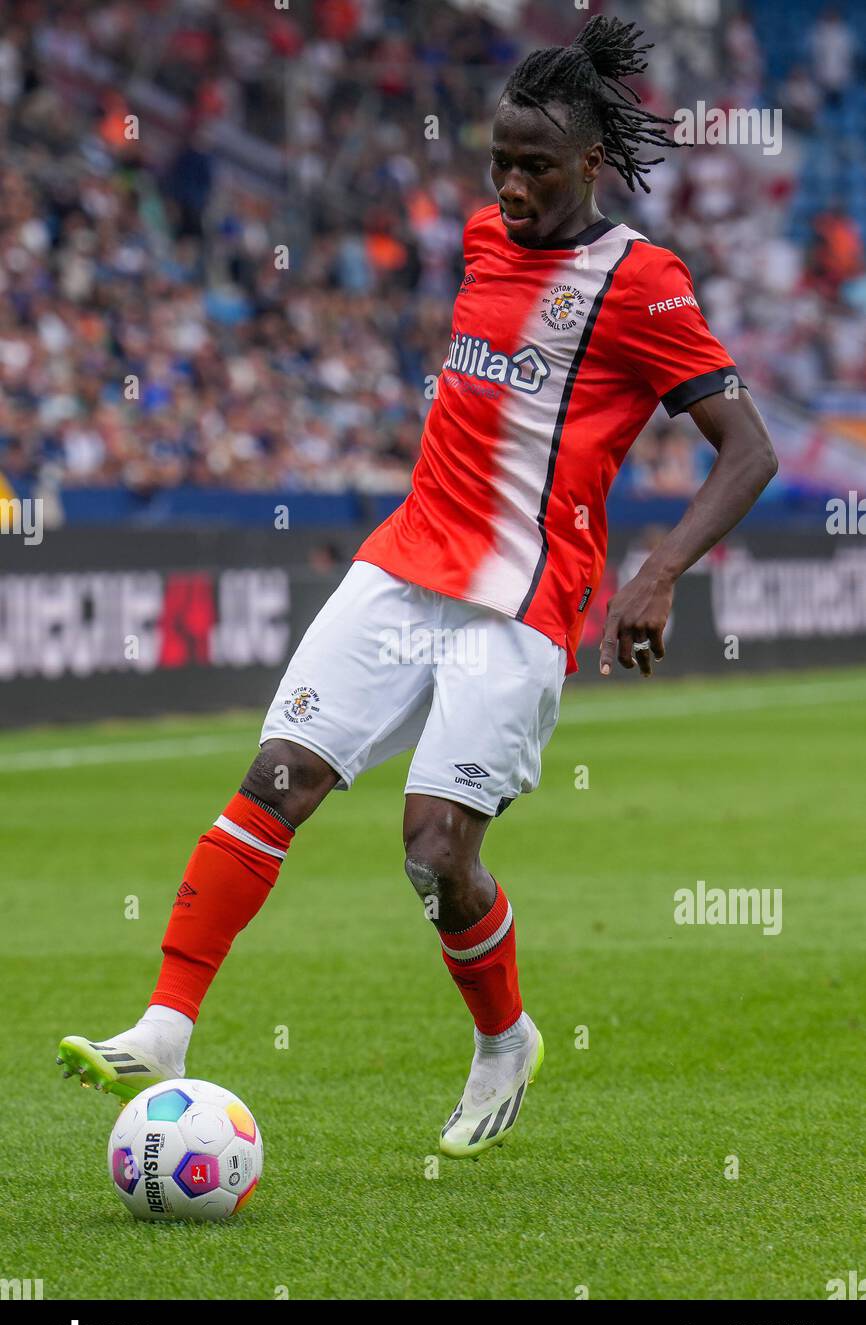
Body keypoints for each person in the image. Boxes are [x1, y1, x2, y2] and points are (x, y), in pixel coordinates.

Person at [58, 16, 778, 1158]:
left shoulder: (640, 283)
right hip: (402, 565)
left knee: (434, 848)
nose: (509, 184)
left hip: (520, 601)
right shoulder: (487, 239)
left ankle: (503, 1040)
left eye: (535, 165)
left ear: (590, 163)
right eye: (498, 161)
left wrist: (657, 569)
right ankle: (165, 1026)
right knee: (275, 777)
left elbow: (746, 449)